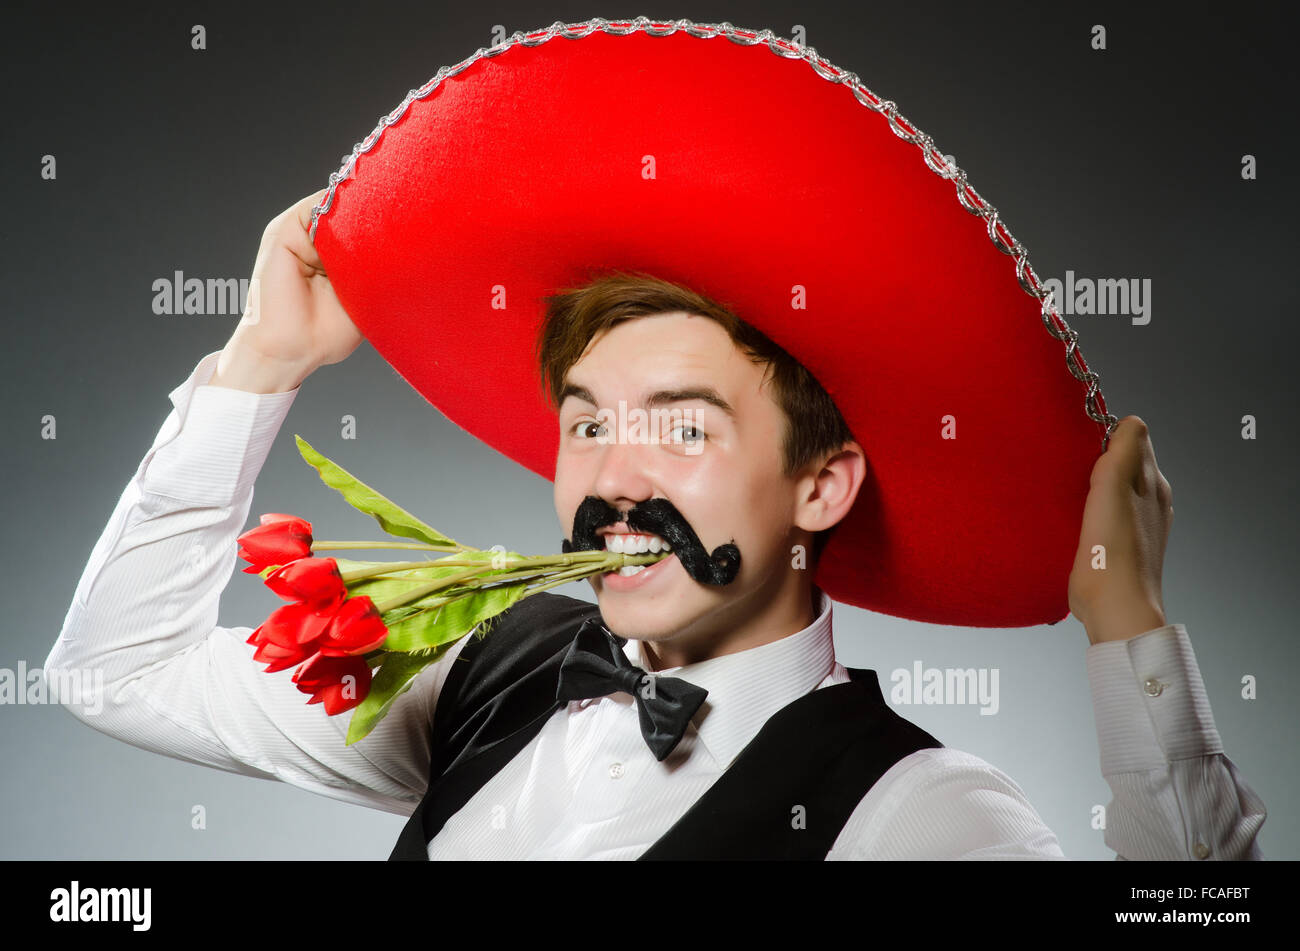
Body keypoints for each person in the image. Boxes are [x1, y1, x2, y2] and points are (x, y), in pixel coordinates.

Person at [45, 190, 1267, 859]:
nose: (613, 481)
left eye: (683, 430)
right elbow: (114, 673)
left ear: (821, 489)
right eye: (585, 425)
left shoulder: (913, 813)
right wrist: (260, 365)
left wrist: (1126, 626)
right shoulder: (483, 671)